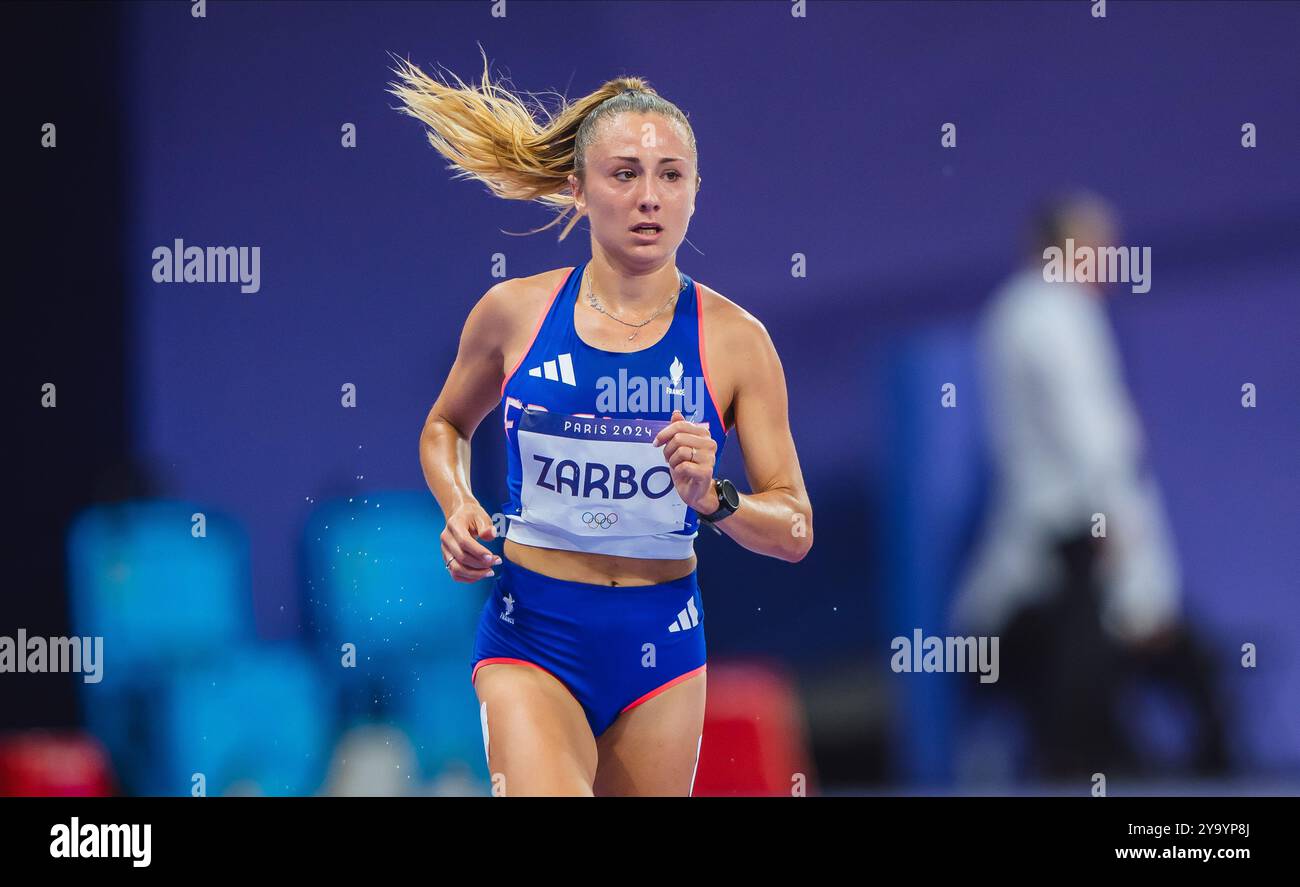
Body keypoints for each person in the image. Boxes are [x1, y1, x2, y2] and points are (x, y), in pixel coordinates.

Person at [392, 50, 813, 796]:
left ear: (695, 193)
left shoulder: (738, 341)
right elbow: (445, 427)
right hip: (535, 635)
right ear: (577, 189)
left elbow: (795, 530)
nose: (650, 197)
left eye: (671, 175)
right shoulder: (513, 314)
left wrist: (716, 497)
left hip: (663, 647)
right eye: (625, 174)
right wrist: (458, 504)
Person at [952, 192, 1229, 779]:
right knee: (1098, 654)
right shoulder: (1053, 313)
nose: (1111, 258)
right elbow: (1089, 431)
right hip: (1072, 529)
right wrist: (1116, 526)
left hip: (1059, 531)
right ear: (1064, 247)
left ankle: (1097, 755)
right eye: (1100, 245)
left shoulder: (1019, 311)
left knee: (1110, 656)